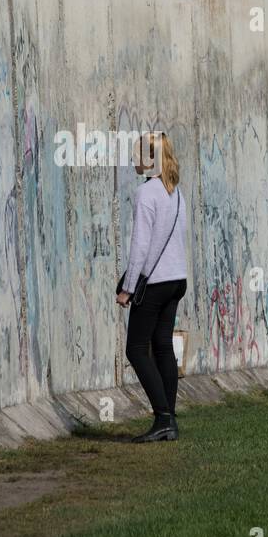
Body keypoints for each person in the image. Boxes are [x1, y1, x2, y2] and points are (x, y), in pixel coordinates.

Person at [116, 131, 188, 442]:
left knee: (135, 349)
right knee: (161, 347)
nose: (133, 159)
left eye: (137, 154)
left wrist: (128, 288)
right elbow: (180, 237)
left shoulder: (146, 194)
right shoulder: (176, 192)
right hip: (176, 279)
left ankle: (162, 416)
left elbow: (140, 246)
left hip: (155, 283)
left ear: (150, 159)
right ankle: (168, 421)